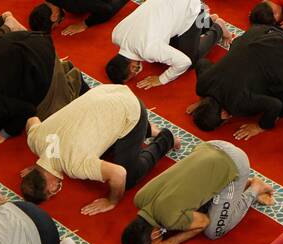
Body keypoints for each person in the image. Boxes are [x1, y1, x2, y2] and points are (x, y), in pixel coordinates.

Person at [22, 84, 175, 216]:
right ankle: (146, 130)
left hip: (131, 109)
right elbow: (32, 120)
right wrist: (40, 166)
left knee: (129, 178)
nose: (56, 189)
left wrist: (111, 201)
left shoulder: (74, 166)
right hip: (105, 91)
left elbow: (119, 174)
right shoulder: (35, 141)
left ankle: (166, 139)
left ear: (50, 188)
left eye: (53, 191)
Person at [121, 140, 272, 244]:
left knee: (214, 231)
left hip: (236, 164)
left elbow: (204, 222)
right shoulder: (139, 199)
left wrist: (170, 242)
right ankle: (234, 187)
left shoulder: (169, 220)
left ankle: (255, 188)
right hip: (210, 146)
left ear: (154, 234)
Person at [191, 10, 283, 138]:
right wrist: (203, 100)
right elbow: (202, 63)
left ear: (224, 115)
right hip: (258, 32)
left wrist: (261, 126)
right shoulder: (202, 85)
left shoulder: (239, 104)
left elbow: (275, 105)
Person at [107, 0, 224, 87]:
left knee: (191, 60)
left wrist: (161, 79)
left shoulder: (148, 50)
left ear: (133, 68)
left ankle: (218, 27)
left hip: (189, 0)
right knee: (175, 43)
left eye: (132, 76)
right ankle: (207, 21)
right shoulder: (116, 36)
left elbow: (184, 62)